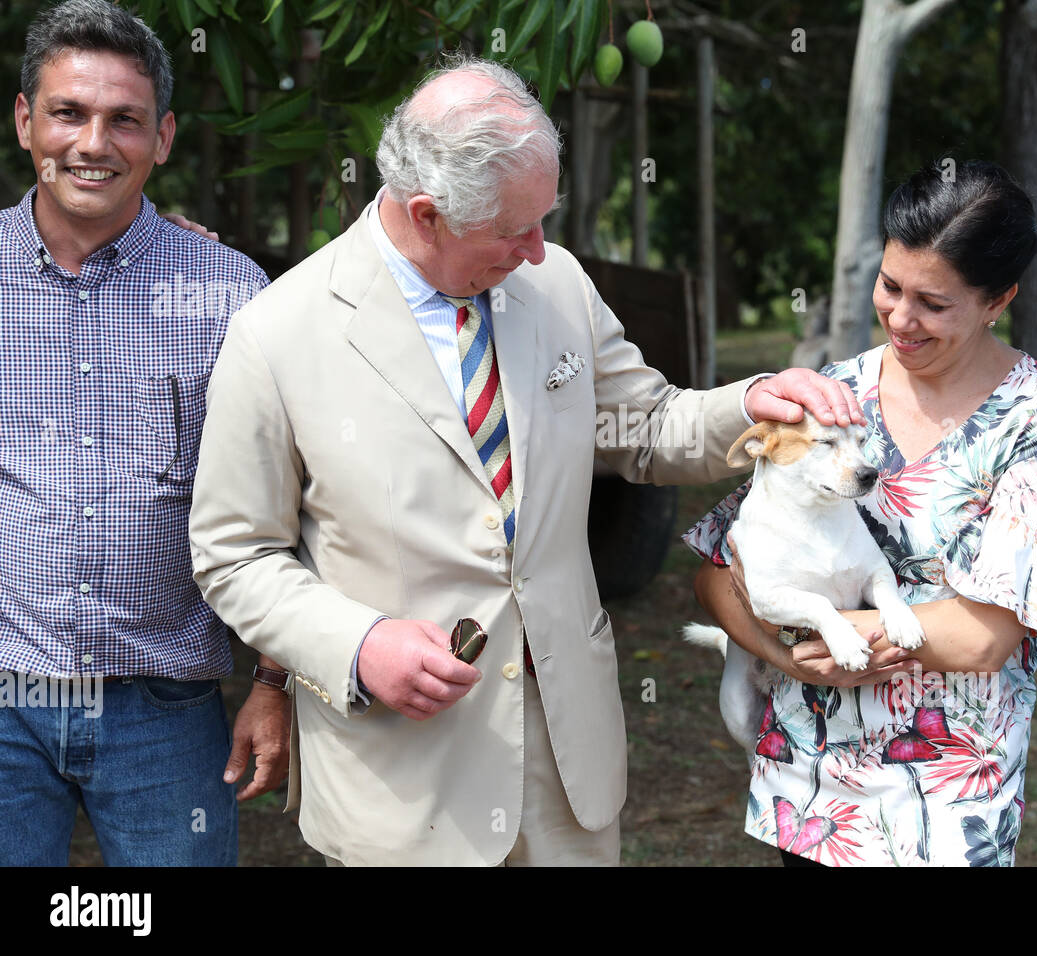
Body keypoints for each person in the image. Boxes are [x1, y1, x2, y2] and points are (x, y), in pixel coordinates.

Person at [186, 54, 860, 867]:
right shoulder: (277, 332)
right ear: (427, 214)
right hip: (403, 782)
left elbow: (644, 426)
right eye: (515, 230)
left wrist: (749, 402)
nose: (540, 250)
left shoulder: (558, 286)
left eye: (546, 220)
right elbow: (234, 553)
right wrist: (357, 644)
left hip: (565, 763)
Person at [688, 160, 1037, 866]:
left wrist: (839, 628)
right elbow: (718, 577)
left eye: (934, 303)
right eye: (891, 286)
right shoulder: (829, 397)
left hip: (944, 806)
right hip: (811, 797)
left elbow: (982, 638)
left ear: (998, 299)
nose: (902, 318)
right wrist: (792, 655)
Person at [0, 0, 290, 866]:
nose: (93, 143)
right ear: (25, 122)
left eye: (123, 120)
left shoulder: (231, 291)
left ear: (161, 138)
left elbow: (286, 500)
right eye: (67, 113)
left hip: (166, 709)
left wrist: (273, 684)